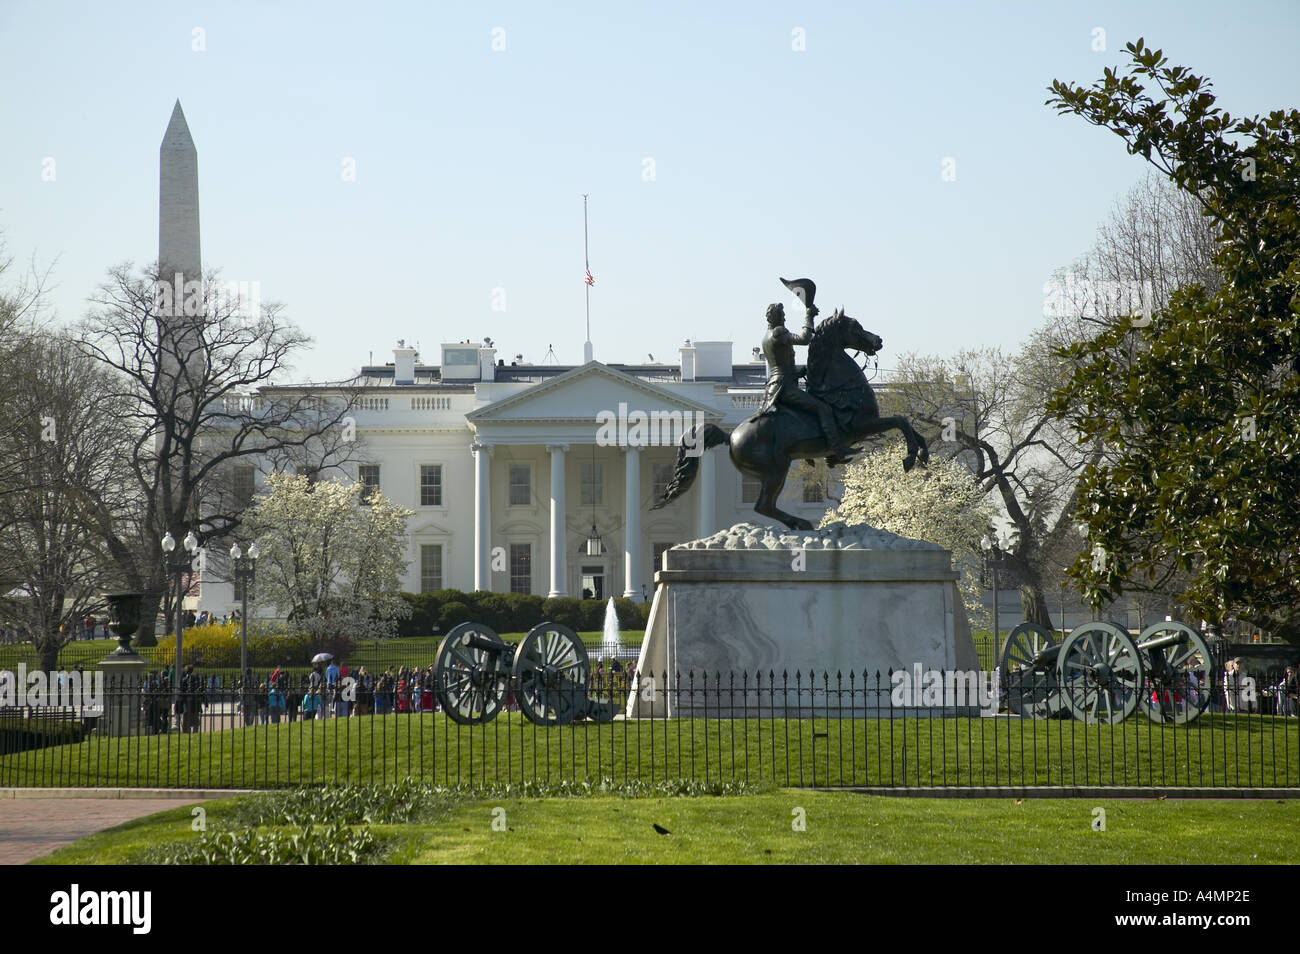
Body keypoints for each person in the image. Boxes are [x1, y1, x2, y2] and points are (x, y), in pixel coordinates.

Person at [759, 299, 857, 461]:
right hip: (784, 387)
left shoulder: (766, 337)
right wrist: (809, 316)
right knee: (822, 408)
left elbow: (781, 365)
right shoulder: (778, 332)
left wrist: (803, 370)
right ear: (776, 317)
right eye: (782, 315)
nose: (785, 318)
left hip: (778, 384)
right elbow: (804, 339)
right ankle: (837, 450)